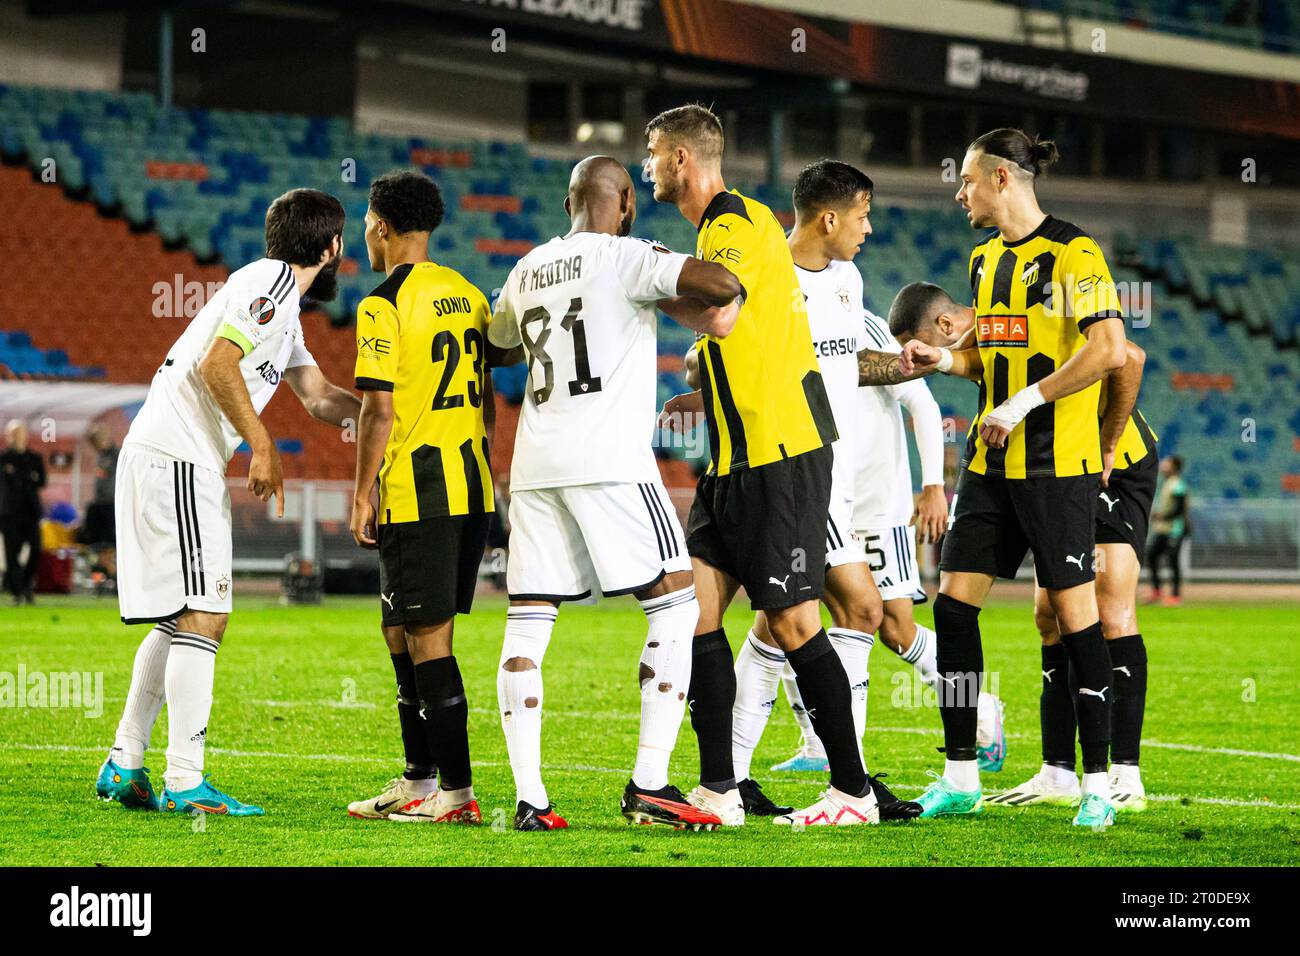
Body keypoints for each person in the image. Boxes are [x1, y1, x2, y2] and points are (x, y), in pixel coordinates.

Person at [487, 156, 742, 831]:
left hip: (538, 463)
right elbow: (720, 283)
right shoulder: (628, 255)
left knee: (527, 623)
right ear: (625, 200)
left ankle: (530, 800)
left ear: (568, 198)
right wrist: (665, 287)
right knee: (678, 606)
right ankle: (650, 784)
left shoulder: (527, 267)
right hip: (611, 460)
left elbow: (499, 346)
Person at [886, 129, 1130, 828]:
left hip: (1058, 467)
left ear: (1000, 178)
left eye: (965, 181)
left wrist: (1026, 402)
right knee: (954, 609)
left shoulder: (1073, 253)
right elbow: (990, 363)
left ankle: (1097, 784)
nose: (958, 193)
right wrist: (940, 362)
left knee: (1077, 622)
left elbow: (1109, 348)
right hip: (992, 470)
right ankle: (961, 774)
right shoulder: (983, 260)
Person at [647, 105, 878, 827]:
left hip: (781, 452)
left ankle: (853, 793)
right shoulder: (717, 231)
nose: (647, 164)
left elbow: (721, 307)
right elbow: (723, 330)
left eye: (653, 153)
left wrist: (639, 280)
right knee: (697, 616)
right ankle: (719, 787)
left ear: (682, 159)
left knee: (794, 623)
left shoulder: (736, 221)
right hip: (733, 459)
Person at [97, 188, 359, 816]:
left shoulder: (280, 304)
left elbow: (318, 395)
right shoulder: (269, 283)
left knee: (181, 615)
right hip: (178, 458)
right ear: (331, 247)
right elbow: (220, 365)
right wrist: (261, 444)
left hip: (166, 454)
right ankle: (186, 780)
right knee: (206, 616)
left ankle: (124, 762)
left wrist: (383, 413)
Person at [688, 159, 921, 821]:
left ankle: (738, 778)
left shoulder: (847, 279)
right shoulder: (768, 273)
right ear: (828, 217)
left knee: (779, 621)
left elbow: (846, 362)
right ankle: (849, 784)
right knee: (852, 611)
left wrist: (899, 362)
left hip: (831, 477)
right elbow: (711, 351)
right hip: (790, 467)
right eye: (863, 215)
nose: (869, 229)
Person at [346, 170, 501, 825]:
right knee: (398, 628)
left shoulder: (382, 305)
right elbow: (488, 401)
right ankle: (417, 781)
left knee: (427, 637)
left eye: (366, 221)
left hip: (418, 490)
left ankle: (457, 796)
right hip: (470, 484)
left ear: (380, 225)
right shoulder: (467, 294)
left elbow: (377, 409)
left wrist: (361, 493)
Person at [993, 344, 1157, 811]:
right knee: (1050, 615)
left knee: (1108, 610)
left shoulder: (1069, 300)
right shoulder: (995, 315)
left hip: (1113, 465)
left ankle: (1126, 772)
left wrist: (1109, 439)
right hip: (1060, 463)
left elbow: (1130, 356)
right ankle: (1057, 771)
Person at [854, 281, 1006, 773]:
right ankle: (823, 754)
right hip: (834, 501)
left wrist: (931, 486)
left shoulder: (863, 325)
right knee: (788, 620)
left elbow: (922, 404)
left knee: (894, 628)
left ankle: (979, 709)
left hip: (877, 506)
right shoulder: (800, 319)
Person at [1, 419, 46, 604]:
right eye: (14, 434)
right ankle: (17, 591)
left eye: (21, 434)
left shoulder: (35, 458)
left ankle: (26, 584)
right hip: (9, 513)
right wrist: (28, 477)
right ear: (8, 437)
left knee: (36, 548)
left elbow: (41, 480)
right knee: (12, 553)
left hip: (30, 512)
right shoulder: (3, 459)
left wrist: (18, 476)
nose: (17, 438)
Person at [1146, 455, 1189, 606]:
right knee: (1151, 555)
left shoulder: (1178, 485)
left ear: (1174, 467)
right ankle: (1157, 590)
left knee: (1173, 561)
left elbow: (1179, 509)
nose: (1163, 465)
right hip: (1164, 529)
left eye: (1167, 463)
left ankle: (1175, 595)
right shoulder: (1168, 483)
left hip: (1174, 529)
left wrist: (1161, 516)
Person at [81, 422, 119, 547]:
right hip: (101, 500)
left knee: (110, 536)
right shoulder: (100, 456)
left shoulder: (116, 454)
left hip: (111, 502)